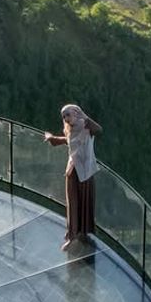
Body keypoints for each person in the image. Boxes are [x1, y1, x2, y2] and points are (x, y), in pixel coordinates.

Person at [45, 104, 102, 251]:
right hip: (75, 171)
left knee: (82, 202)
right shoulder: (72, 130)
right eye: (64, 116)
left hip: (84, 171)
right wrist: (53, 139)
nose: (65, 118)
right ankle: (72, 235)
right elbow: (69, 141)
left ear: (76, 113)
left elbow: (98, 129)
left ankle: (80, 233)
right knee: (74, 203)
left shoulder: (86, 126)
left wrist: (85, 117)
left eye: (68, 114)